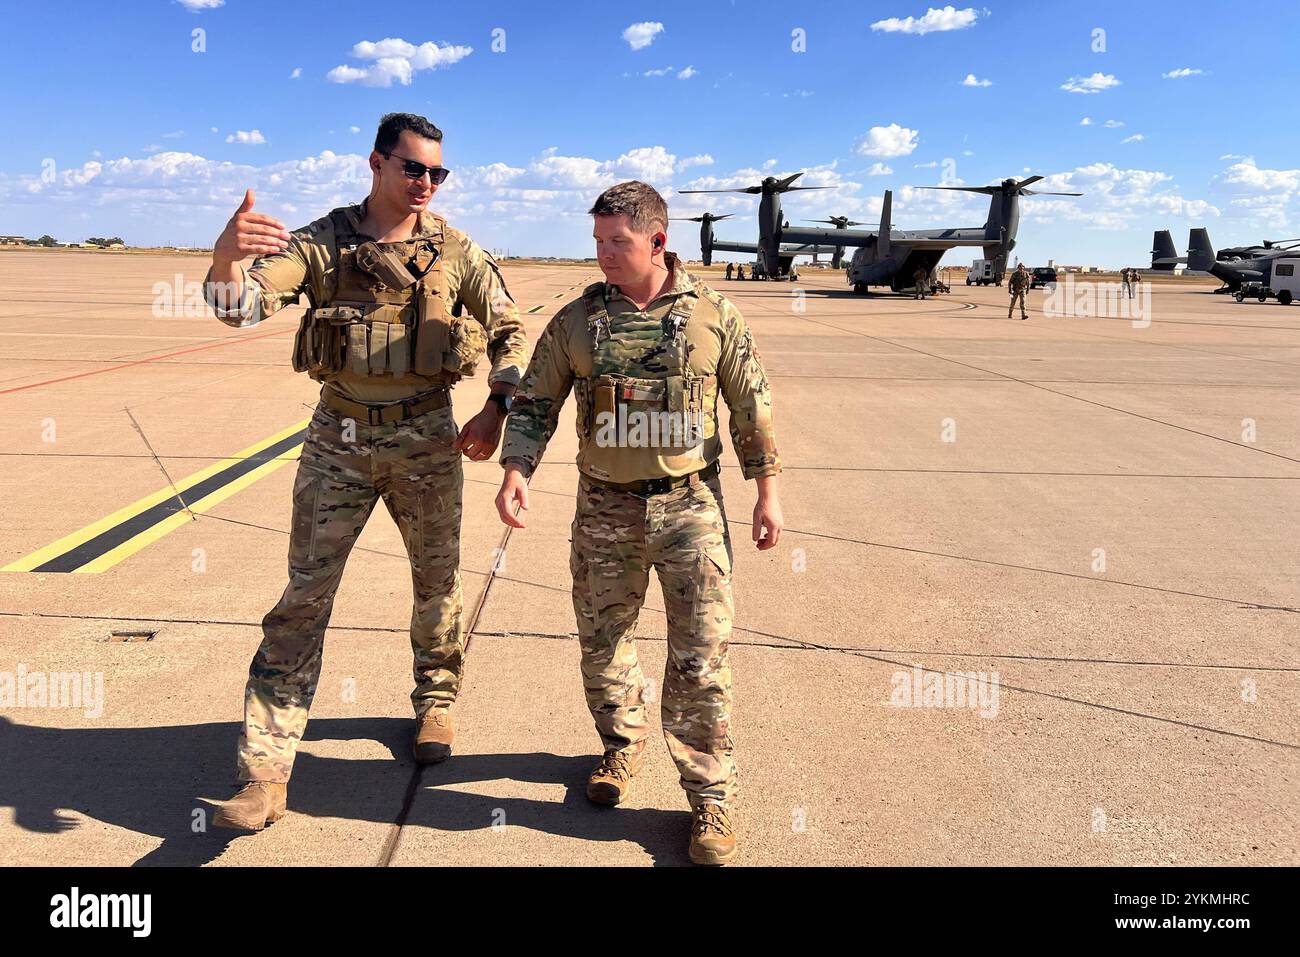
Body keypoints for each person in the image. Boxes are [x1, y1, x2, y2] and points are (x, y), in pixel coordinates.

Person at [203, 112, 528, 831]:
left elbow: (510, 327)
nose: (427, 182)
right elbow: (240, 308)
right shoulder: (323, 243)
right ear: (376, 163)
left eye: (437, 171)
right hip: (338, 441)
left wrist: (497, 406)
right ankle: (265, 772)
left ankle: (435, 701)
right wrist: (226, 258)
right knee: (302, 600)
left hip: (427, 440)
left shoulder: (456, 250)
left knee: (436, 584)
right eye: (413, 167)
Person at [494, 181, 783, 865]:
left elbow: (751, 405)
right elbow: (536, 402)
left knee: (701, 655)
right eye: (597, 241)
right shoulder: (577, 320)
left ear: (658, 240)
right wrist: (516, 470)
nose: (603, 254)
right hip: (605, 508)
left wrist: (767, 493)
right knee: (603, 642)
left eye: (616, 242)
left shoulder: (713, 315)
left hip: (690, 506)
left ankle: (710, 796)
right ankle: (621, 746)